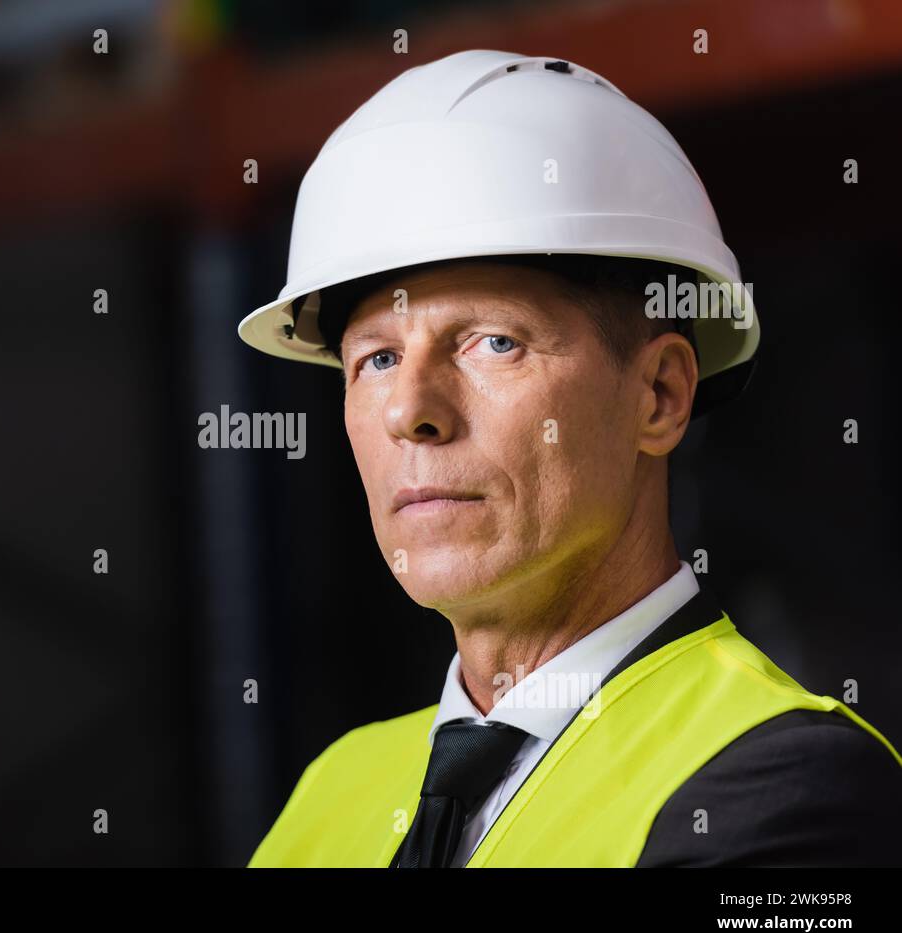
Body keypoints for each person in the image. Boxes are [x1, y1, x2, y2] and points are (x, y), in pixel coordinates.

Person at [236, 50, 902, 867]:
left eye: (493, 342)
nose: (411, 411)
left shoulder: (794, 788)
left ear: (658, 394)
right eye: (376, 358)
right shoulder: (338, 788)